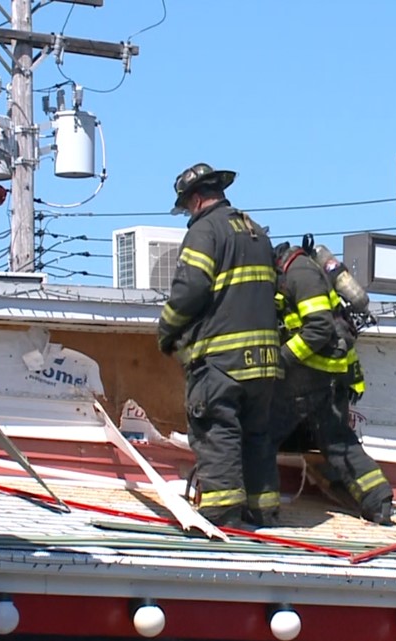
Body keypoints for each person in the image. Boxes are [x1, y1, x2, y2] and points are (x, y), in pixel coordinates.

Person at [156, 163, 281, 528]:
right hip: (266, 363)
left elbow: (190, 290)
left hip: (223, 362)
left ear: (195, 200)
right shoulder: (255, 230)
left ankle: (223, 515)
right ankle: (264, 512)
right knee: (257, 437)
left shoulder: (205, 231)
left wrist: (167, 330)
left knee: (217, 431)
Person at [270, 241, 394, 525]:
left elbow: (319, 329)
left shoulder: (298, 272)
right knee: (337, 440)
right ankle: (379, 501)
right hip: (331, 372)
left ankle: (259, 504)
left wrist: (281, 359)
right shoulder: (293, 272)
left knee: (262, 434)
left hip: (309, 368)